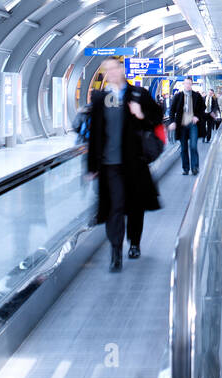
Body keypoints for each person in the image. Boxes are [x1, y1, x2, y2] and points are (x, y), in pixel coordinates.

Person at [87, 57, 163, 271]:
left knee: (135, 205)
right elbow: (95, 134)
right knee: (115, 207)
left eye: (113, 68)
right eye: (106, 69)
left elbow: (157, 118)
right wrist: (92, 166)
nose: (110, 72)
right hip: (109, 164)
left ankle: (135, 242)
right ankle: (116, 250)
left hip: (134, 162)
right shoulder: (100, 98)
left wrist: (141, 114)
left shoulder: (138, 94)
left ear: (122, 70)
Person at [168, 75, 206, 176]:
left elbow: (203, 108)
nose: (188, 85)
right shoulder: (178, 96)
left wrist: (197, 116)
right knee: (184, 147)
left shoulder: (196, 96)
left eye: (189, 83)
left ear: (191, 84)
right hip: (181, 126)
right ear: (183, 84)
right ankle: (186, 168)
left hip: (193, 125)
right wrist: (172, 122)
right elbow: (172, 110)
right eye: (186, 83)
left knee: (193, 146)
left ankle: (195, 167)